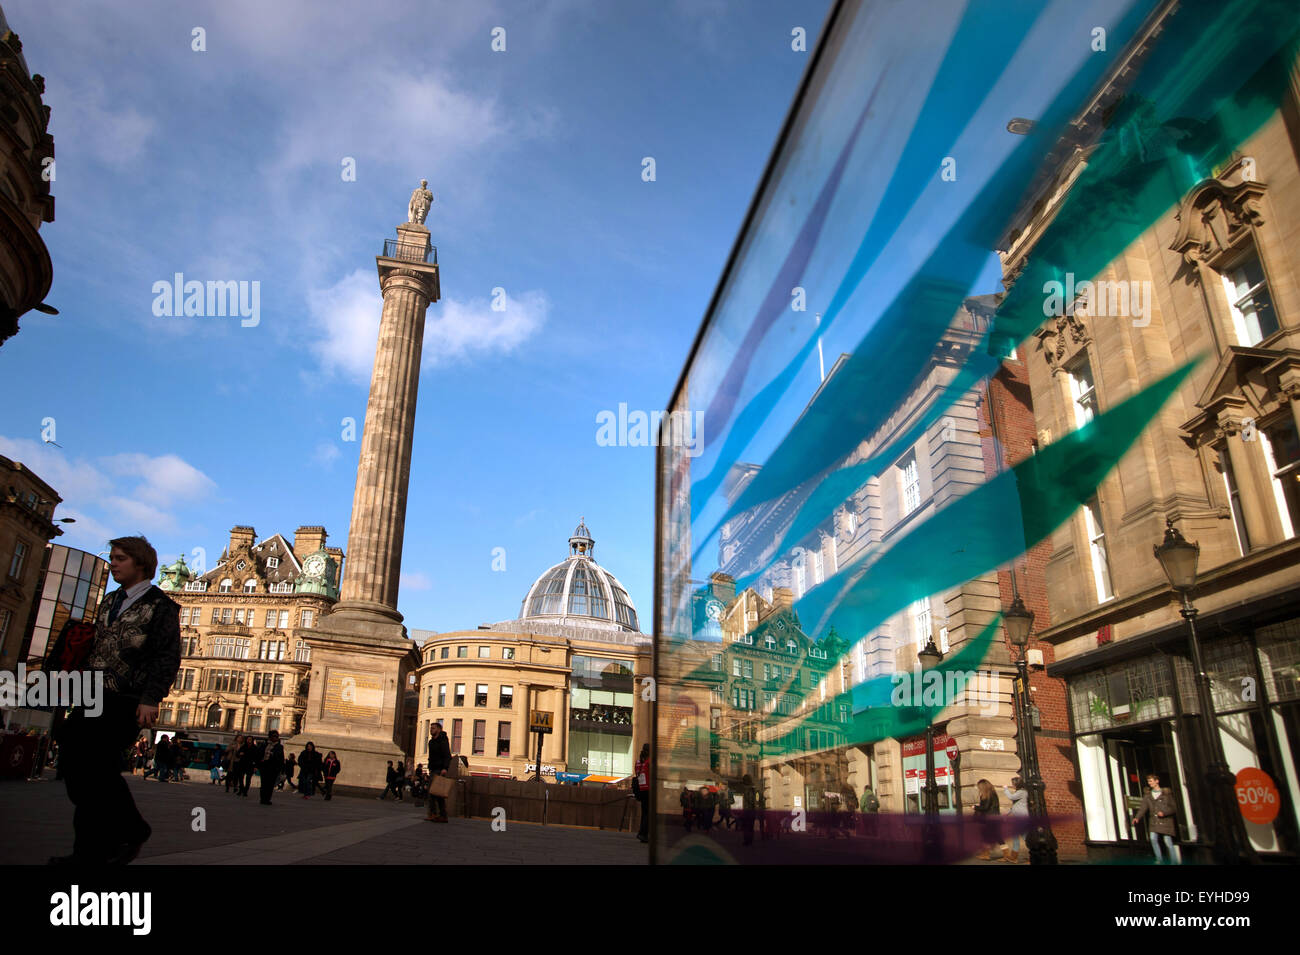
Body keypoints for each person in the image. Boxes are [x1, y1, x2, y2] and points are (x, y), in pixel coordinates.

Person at [46, 536, 181, 865]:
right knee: (80, 772)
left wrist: (152, 698)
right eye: (112, 558)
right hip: (91, 692)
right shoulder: (109, 601)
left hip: (126, 698)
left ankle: (102, 846)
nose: (113, 564)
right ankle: (113, 839)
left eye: (120, 558)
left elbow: (167, 656)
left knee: (96, 771)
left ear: (140, 563)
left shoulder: (160, 606)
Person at [1132, 774, 1181, 864]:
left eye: (1151, 781)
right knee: (1153, 839)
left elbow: (1174, 808)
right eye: (1148, 781)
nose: (1149, 783)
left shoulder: (1166, 794)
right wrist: (1137, 817)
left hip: (1165, 821)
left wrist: (1164, 813)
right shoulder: (1148, 796)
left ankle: (1174, 861)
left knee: (1167, 841)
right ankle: (1159, 860)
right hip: (1154, 821)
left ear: (1157, 781)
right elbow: (1143, 807)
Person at [425, 723, 451, 822]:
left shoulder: (443, 741)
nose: (431, 730)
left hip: (439, 770)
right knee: (437, 793)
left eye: (433, 728)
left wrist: (445, 768)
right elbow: (431, 757)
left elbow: (447, 755)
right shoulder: (431, 742)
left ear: (439, 729)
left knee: (432, 792)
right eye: (431, 728)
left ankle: (434, 814)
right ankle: (441, 815)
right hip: (433, 769)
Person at [972, 778, 1002, 861]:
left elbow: (985, 807)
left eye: (979, 787)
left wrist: (975, 807)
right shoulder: (991, 794)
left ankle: (986, 854)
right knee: (996, 837)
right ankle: (1005, 854)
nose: (978, 789)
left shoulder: (989, 795)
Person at [1003, 776, 1029, 863]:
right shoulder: (1019, 792)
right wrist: (1007, 814)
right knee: (1015, 837)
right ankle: (1014, 857)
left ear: (1017, 784)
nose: (1012, 785)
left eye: (1013, 784)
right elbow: (1015, 805)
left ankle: (1034, 856)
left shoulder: (1022, 792)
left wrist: (1006, 789)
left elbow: (1011, 797)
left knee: (1026, 837)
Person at [256, 730, 285, 805]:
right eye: (274, 736)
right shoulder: (264, 745)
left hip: (273, 767)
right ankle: (262, 799)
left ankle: (267, 799)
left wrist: (273, 755)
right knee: (263, 783)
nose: (275, 738)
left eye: (276, 736)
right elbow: (259, 754)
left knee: (270, 784)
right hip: (264, 766)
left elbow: (281, 758)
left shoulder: (279, 747)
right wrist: (259, 763)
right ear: (270, 737)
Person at [633, 743, 650, 843]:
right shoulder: (649, 762)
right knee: (649, 813)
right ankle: (642, 833)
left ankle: (643, 834)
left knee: (644, 812)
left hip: (641, 789)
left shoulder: (638, 762)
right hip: (648, 790)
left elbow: (637, 773)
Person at [740, 774, 758, 846]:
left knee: (747, 827)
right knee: (750, 827)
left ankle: (747, 841)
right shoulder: (753, 789)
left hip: (747, 811)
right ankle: (750, 840)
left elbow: (750, 800)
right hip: (752, 811)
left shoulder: (748, 789)